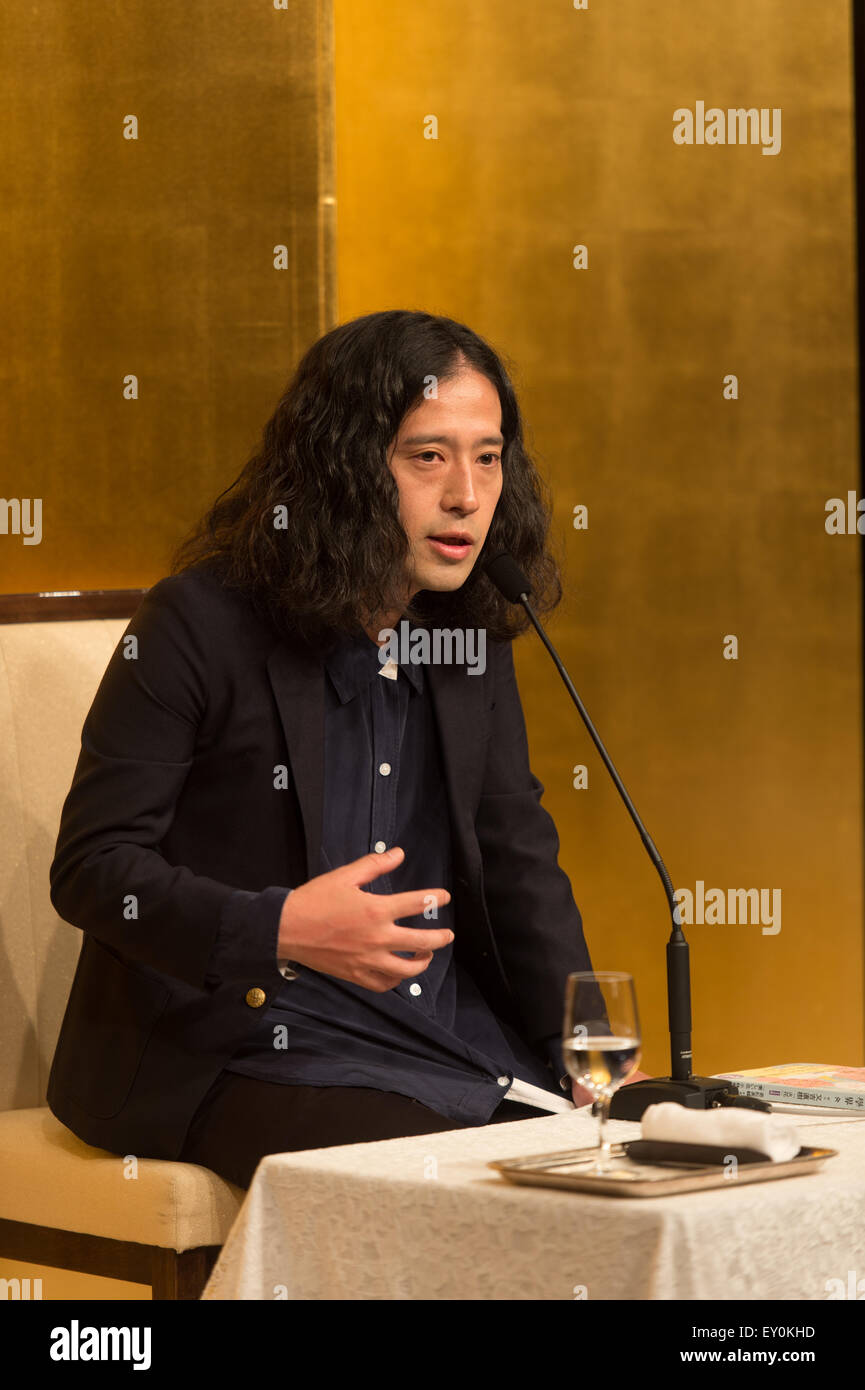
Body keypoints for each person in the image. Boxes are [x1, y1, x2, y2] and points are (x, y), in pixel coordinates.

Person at [47, 309, 645, 1190]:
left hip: (439, 1039)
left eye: (488, 456)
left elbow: (519, 858)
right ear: (345, 466)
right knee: (451, 1191)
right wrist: (281, 927)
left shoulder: (464, 633)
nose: (467, 497)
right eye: (427, 456)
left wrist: (586, 1047)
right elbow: (94, 869)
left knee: (632, 1177)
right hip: (247, 1048)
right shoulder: (198, 623)